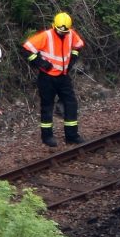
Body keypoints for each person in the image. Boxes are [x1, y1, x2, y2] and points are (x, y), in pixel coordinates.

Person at [22, 12, 86, 147]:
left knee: (71, 104)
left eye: (65, 32)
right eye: (60, 31)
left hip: (63, 76)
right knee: (47, 107)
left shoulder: (71, 34)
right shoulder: (47, 35)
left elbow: (78, 45)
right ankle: (47, 136)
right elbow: (27, 49)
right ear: (54, 26)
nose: (62, 33)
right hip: (47, 77)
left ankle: (72, 135)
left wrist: (72, 60)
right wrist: (41, 63)